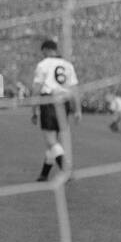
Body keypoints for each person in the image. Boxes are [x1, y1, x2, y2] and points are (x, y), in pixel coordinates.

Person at [31, 39, 78, 182]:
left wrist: (34, 111)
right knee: (53, 141)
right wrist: (77, 110)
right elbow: (74, 90)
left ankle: (66, 169)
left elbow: (36, 89)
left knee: (50, 140)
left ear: (45, 50)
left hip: (49, 101)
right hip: (64, 103)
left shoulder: (43, 64)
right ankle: (44, 174)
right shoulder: (68, 65)